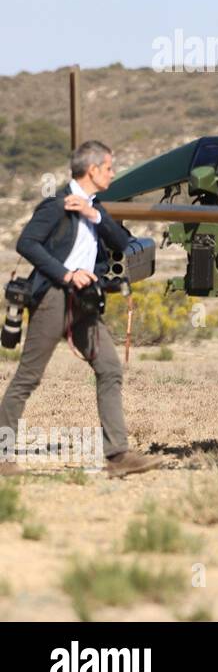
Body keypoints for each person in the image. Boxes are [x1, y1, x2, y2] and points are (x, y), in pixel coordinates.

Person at [0, 140, 163, 477]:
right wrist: (65, 274)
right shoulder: (55, 205)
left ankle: (117, 456)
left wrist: (94, 215)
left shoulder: (95, 207)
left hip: (86, 300)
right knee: (27, 378)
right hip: (53, 298)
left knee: (109, 369)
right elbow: (26, 243)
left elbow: (123, 243)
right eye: (109, 168)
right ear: (93, 170)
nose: (113, 173)